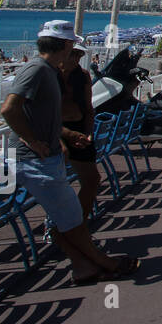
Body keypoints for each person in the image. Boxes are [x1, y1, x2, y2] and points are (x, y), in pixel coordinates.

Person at [1, 20, 139, 285]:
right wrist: (32, 141)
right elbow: (9, 109)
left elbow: (41, 114)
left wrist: (62, 137)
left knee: (65, 217)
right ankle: (104, 262)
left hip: (45, 154)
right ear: (65, 45)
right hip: (34, 159)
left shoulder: (47, 70)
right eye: (72, 46)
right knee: (71, 218)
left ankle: (82, 267)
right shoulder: (37, 70)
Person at [59, 42, 101, 221]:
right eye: (73, 54)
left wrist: (88, 133)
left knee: (92, 180)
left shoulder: (82, 76)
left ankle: (79, 220)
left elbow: (89, 109)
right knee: (58, 183)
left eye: (79, 55)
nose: (76, 58)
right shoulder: (49, 75)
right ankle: (60, 223)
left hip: (79, 129)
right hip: (55, 131)